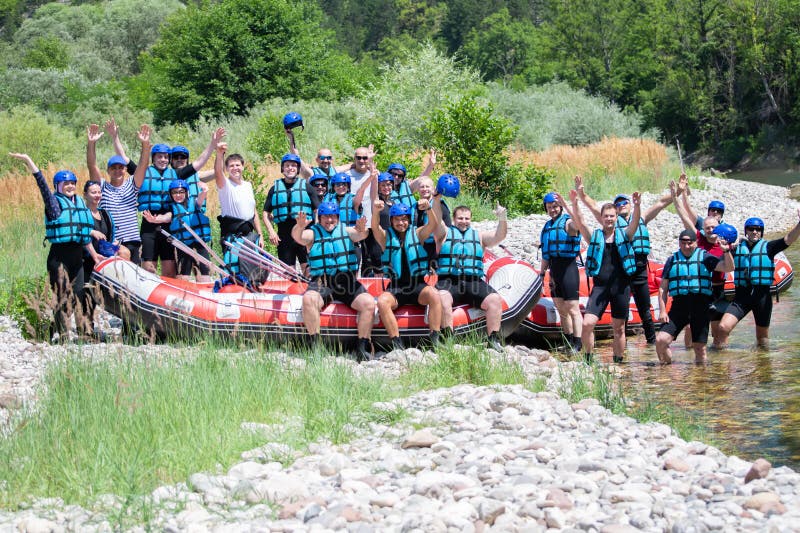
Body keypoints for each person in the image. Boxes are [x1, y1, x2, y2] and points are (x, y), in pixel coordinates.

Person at [9, 153, 107, 339]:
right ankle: (62, 335)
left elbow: (83, 235)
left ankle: (85, 333)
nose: (70, 186)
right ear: (58, 186)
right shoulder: (54, 204)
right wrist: (29, 161)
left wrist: (94, 256)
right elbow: (42, 185)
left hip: (77, 257)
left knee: (81, 295)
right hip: (59, 258)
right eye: (65, 183)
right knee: (62, 297)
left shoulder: (79, 204)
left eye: (72, 183)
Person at [575, 175, 676, 344]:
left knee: (644, 310)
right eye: (619, 204)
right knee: (622, 312)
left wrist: (678, 191)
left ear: (630, 204)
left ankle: (651, 344)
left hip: (640, 269)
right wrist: (581, 194)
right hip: (621, 270)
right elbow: (593, 207)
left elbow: (661, 203)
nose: (622, 205)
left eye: (625, 202)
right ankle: (623, 346)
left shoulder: (640, 217)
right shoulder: (610, 221)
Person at [116, 125, 224, 277]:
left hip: (169, 225)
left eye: (166, 157)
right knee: (148, 268)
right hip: (148, 225)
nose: (163, 159)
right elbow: (124, 158)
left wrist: (212, 144)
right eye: (159, 156)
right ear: (153, 158)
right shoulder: (143, 172)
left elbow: (198, 163)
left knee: (170, 270)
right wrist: (115, 137)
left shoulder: (176, 174)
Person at [291, 202, 375, 361]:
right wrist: (299, 226)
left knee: (369, 303)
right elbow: (298, 237)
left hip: (346, 281)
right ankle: (315, 346)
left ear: (337, 217)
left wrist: (363, 229)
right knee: (309, 299)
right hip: (323, 282)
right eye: (325, 217)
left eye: (332, 217)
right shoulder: (312, 233)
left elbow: (361, 235)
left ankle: (362, 346)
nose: (329, 220)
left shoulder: (347, 231)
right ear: (320, 218)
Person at [567, 190, 642, 363]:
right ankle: (588, 359)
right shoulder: (594, 236)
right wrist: (575, 203)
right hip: (600, 288)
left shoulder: (625, 235)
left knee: (619, 329)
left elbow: (635, 222)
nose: (609, 219)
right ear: (601, 218)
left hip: (621, 288)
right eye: (606, 216)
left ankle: (618, 362)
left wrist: (637, 206)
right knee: (587, 324)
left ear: (616, 217)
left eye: (612, 216)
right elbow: (580, 221)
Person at [434, 177, 507, 350]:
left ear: (471, 219)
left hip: (472, 282)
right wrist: (436, 199)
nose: (464, 221)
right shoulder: (444, 234)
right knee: (442, 299)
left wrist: (502, 217)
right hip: (449, 280)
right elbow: (436, 221)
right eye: (460, 218)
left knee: (495, 300)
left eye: (467, 218)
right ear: (453, 219)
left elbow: (499, 236)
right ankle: (448, 338)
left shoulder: (479, 236)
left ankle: (493, 338)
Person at [714, 214, 800, 349]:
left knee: (762, 339)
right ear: (746, 231)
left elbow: (788, 239)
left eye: (758, 229)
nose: (755, 232)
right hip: (742, 297)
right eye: (751, 229)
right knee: (723, 327)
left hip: (762, 298)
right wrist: (725, 249)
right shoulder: (735, 249)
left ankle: (763, 366)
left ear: (761, 232)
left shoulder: (770, 247)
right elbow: (721, 259)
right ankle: (722, 363)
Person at [656, 229, 735, 364]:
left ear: (696, 243)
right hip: (679, 308)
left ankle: (701, 381)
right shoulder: (672, 260)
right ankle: (666, 370)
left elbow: (728, 267)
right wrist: (663, 310)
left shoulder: (705, 257)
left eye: (690, 243)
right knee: (661, 340)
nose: (686, 246)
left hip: (700, 307)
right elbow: (663, 288)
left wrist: (726, 251)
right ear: (679, 243)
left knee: (700, 349)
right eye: (683, 243)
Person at [371, 199, 442, 350]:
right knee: (383, 301)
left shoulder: (418, 234)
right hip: (396, 288)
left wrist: (429, 208)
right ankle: (397, 343)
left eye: (404, 219)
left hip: (418, 286)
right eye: (397, 219)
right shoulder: (385, 237)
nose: (401, 223)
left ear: (409, 220)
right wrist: (376, 211)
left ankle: (434, 338)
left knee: (434, 294)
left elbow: (433, 225)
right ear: (391, 221)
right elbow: (375, 227)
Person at [671, 179, 726, 344]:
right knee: (690, 327)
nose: (715, 213)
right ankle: (689, 359)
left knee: (718, 330)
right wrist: (676, 196)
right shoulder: (699, 236)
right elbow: (683, 213)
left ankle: (719, 363)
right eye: (712, 211)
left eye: (718, 212)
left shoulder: (724, 239)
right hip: (700, 289)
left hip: (717, 290)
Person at [86, 120, 141, 263]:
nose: (117, 171)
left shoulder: (132, 184)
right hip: (115, 242)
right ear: (109, 171)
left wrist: (145, 146)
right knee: (122, 273)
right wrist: (91, 144)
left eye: (120, 168)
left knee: (135, 279)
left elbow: (143, 165)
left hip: (134, 240)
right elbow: (92, 166)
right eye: (114, 168)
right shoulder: (102, 187)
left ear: (125, 169)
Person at [142, 179, 213, 282]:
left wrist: (204, 191)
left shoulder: (196, 203)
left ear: (186, 192)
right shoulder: (172, 209)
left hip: (199, 244)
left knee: (204, 277)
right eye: (174, 192)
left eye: (181, 192)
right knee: (183, 277)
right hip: (183, 247)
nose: (178, 195)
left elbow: (201, 199)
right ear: (171, 195)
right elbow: (166, 217)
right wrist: (154, 219)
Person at [262, 153, 321, 276]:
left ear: (298, 169)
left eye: (293, 165)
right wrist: (271, 231)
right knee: (289, 273)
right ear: (282, 169)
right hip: (284, 236)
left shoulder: (307, 187)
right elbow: (265, 213)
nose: (290, 168)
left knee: (308, 270)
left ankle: (311, 292)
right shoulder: (274, 189)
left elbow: (317, 211)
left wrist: (316, 232)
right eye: (287, 165)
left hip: (304, 233)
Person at [213, 142, 264, 281]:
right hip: (233, 234)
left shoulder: (248, 185)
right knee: (234, 268)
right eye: (231, 166)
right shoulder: (225, 184)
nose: (235, 168)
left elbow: (253, 211)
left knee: (252, 270)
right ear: (227, 169)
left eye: (238, 165)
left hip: (249, 235)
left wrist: (260, 235)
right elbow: (218, 172)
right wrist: (219, 154)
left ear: (242, 166)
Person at [539, 191, 583, 353]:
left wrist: (568, 205)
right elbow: (546, 254)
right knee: (561, 308)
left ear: (560, 207)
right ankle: (569, 339)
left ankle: (578, 343)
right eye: (549, 207)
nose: (553, 210)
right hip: (554, 270)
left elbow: (579, 223)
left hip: (568, 269)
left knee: (572, 308)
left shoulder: (568, 223)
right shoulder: (547, 227)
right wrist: (542, 273)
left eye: (556, 207)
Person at [81, 180, 131, 283]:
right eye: (93, 192)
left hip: (106, 254)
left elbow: (111, 236)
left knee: (125, 252)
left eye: (99, 192)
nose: (97, 195)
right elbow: (78, 231)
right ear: (85, 194)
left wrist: (114, 244)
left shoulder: (105, 214)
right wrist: (92, 232)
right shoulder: (81, 214)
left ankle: (125, 283)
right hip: (87, 256)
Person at [413, 176, 452, 270]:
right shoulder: (414, 206)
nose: (424, 189)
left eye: (427, 186)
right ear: (418, 189)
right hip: (420, 245)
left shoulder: (440, 206)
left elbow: (448, 229)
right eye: (422, 187)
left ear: (433, 189)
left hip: (436, 245)